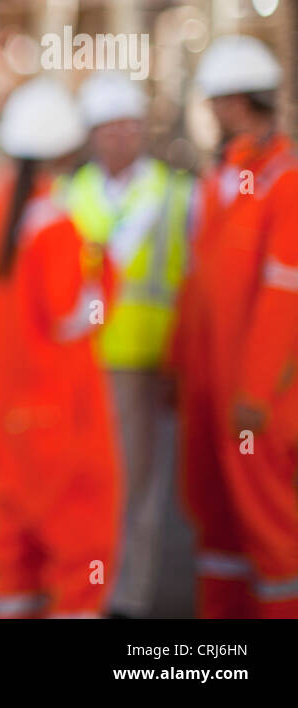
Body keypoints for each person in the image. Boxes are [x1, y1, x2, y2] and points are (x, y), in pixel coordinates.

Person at [0, 76, 122, 617]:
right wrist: (106, 272)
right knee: (79, 554)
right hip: (57, 418)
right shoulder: (54, 224)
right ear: (65, 149)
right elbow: (74, 316)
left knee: (12, 555)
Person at [173, 34, 298, 617]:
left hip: (255, 397)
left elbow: (284, 293)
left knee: (271, 530)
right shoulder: (223, 177)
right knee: (216, 523)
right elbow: (199, 287)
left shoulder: (282, 181)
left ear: (235, 103)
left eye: (216, 102)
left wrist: (252, 389)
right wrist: (183, 370)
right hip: (210, 390)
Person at [62, 70, 193, 617]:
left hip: (144, 358)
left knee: (138, 480)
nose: (123, 136)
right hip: (84, 361)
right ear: (93, 133)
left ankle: (128, 597)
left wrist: (179, 361)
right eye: (112, 127)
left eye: (132, 126)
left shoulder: (172, 194)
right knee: (87, 477)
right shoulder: (72, 196)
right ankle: (90, 584)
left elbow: (192, 279)